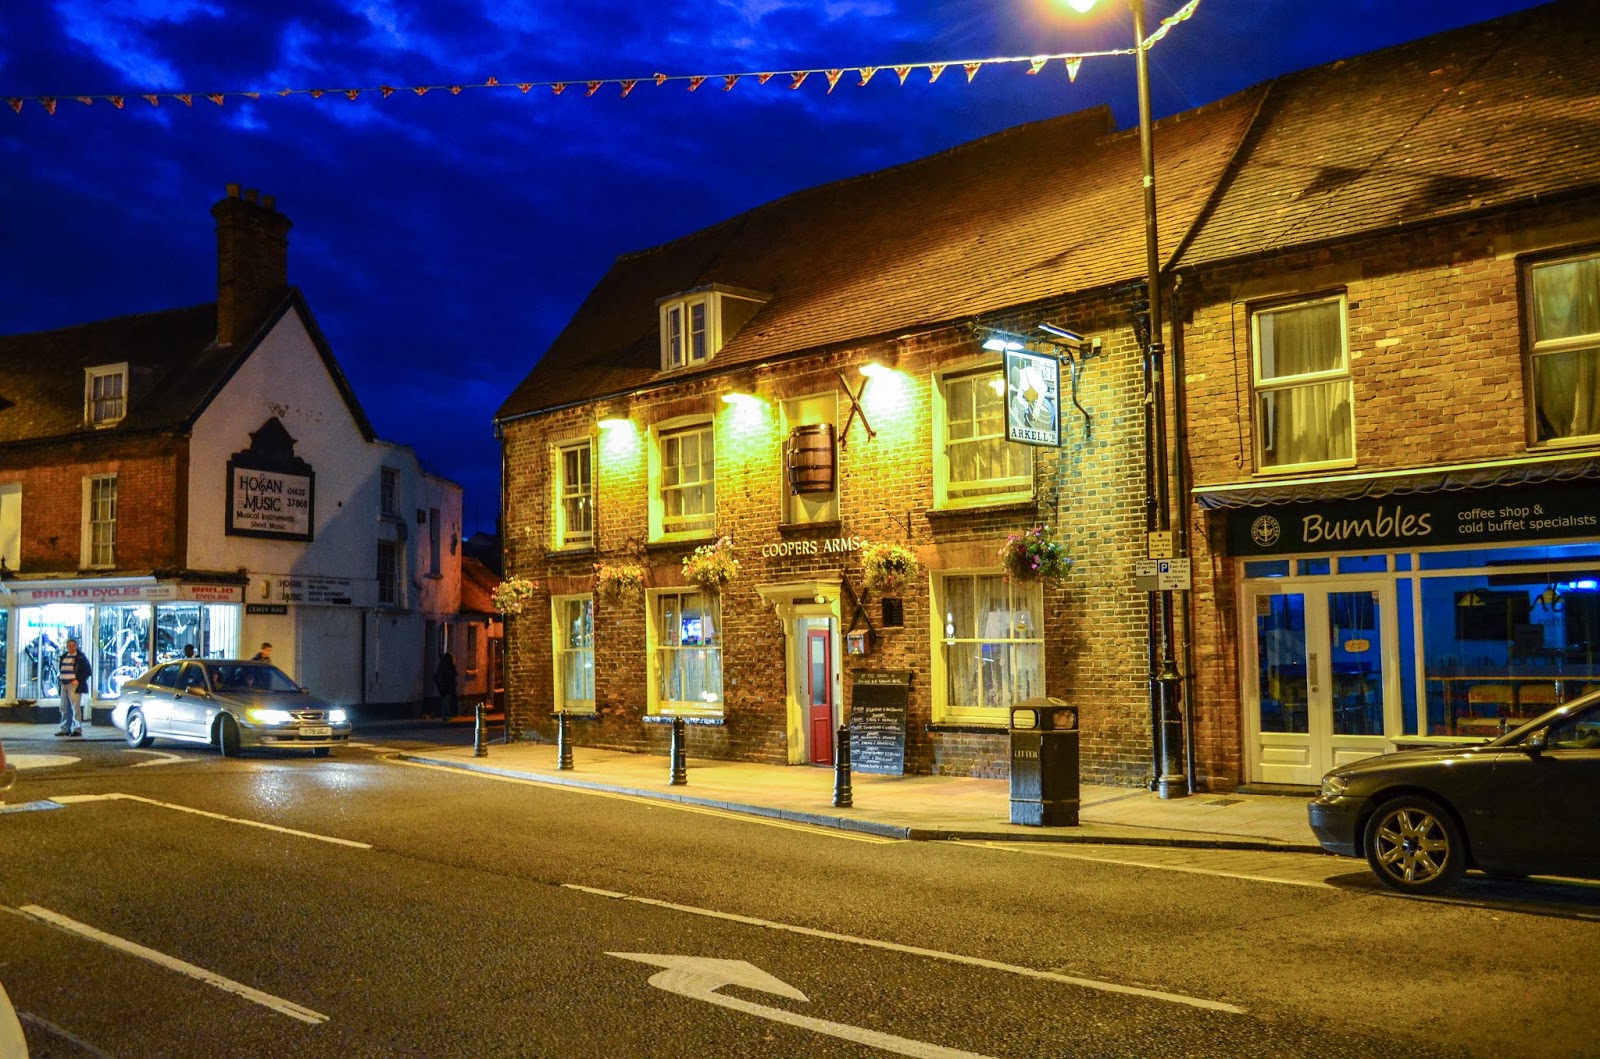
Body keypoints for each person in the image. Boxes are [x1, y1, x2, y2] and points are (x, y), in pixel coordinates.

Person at [55, 637, 91, 738]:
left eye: (73, 645)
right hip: (64, 684)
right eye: (69, 645)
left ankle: (77, 729)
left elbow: (87, 671)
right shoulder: (64, 656)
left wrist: (78, 680)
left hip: (73, 684)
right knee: (64, 707)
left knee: (75, 707)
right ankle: (65, 728)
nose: (71, 647)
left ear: (76, 646)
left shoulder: (81, 658)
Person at [434, 652, 458, 721]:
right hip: (448, 687)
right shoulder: (450, 666)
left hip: (444, 687)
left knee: (445, 701)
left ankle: (445, 714)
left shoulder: (442, 666)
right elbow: (452, 676)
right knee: (447, 701)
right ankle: (446, 714)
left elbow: (436, 676)